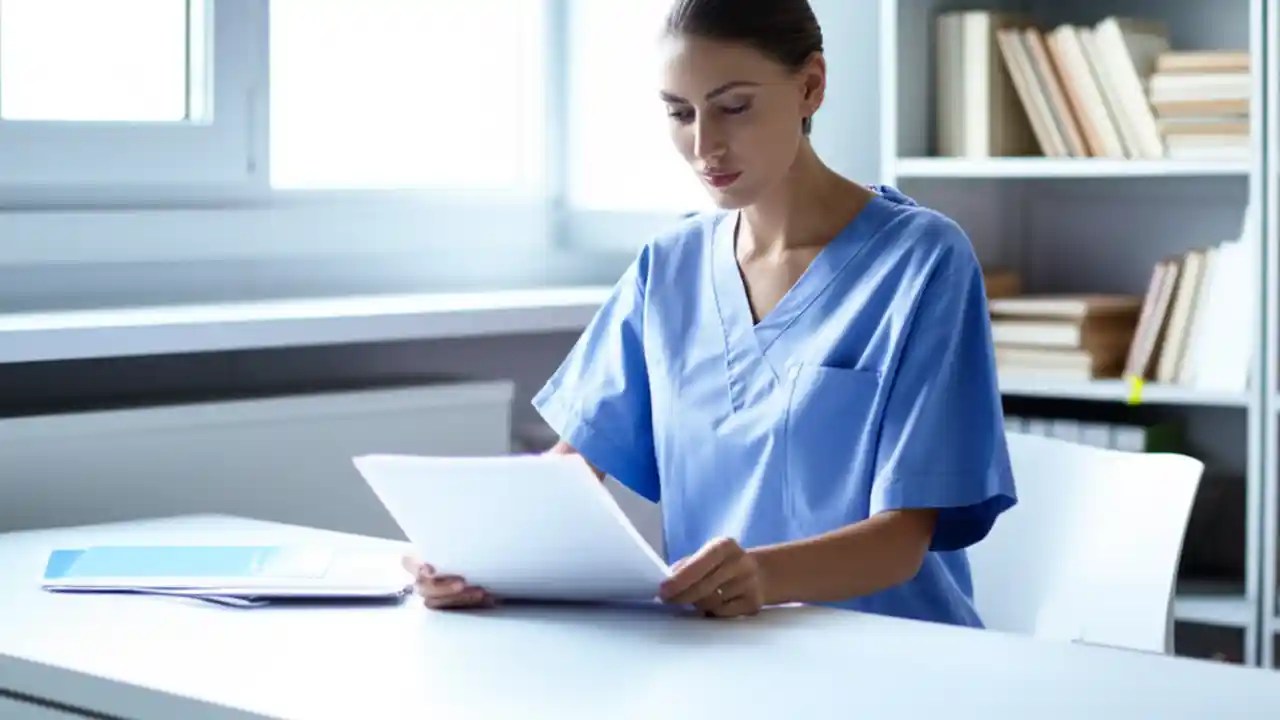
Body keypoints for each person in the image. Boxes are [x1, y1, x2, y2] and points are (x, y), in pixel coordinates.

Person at [405, 0, 1017, 627]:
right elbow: (571, 474)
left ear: (810, 86)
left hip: (897, 662)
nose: (704, 146)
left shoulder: (922, 262)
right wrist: (470, 557)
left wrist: (764, 575)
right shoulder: (668, 267)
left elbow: (901, 541)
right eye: (679, 113)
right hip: (720, 653)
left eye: (733, 107)